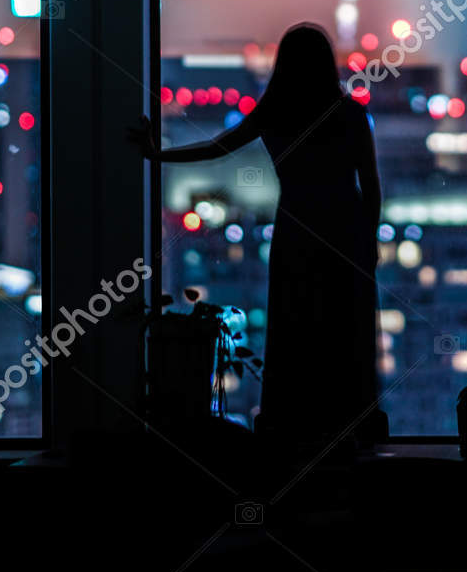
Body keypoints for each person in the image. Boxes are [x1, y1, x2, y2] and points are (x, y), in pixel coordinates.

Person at [132, 23, 384, 446]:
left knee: (294, 326)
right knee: (343, 331)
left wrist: (157, 155)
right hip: (344, 232)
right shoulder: (350, 115)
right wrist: (368, 243)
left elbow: (216, 148)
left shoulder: (277, 113)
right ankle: (347, 426)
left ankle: (294, 425)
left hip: (297, 230)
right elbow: (371, 187)